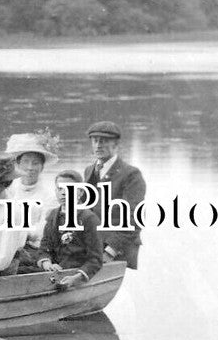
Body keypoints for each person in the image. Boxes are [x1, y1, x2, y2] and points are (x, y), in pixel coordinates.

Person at [83, 121, 147, 269]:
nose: (98, 145)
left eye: (104, 141)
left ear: (116, 145)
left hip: (118, 251)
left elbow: (134, 218)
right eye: (95, 140)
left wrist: (111, 251)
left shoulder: (131, 174)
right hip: (93, 246)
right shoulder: (89, 170)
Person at [37, 169, 103, 289]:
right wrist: (47, 263)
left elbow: (95, 259)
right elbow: (44, 247)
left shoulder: (89, 219)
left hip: (74, 273)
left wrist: (76, 278)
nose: (63, 193)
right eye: (59, 188)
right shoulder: (52, 215)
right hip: (54, 272)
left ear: (80, 192)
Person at [5, 131, 60, 270]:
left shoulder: (50, 196)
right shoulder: (8, 190)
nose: (30, 168)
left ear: (42, 167)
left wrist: (18, 232)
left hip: (35, 249)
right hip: (7, 244)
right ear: (17, 164)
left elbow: (42, 230)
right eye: (26, 162)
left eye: (35, 163)